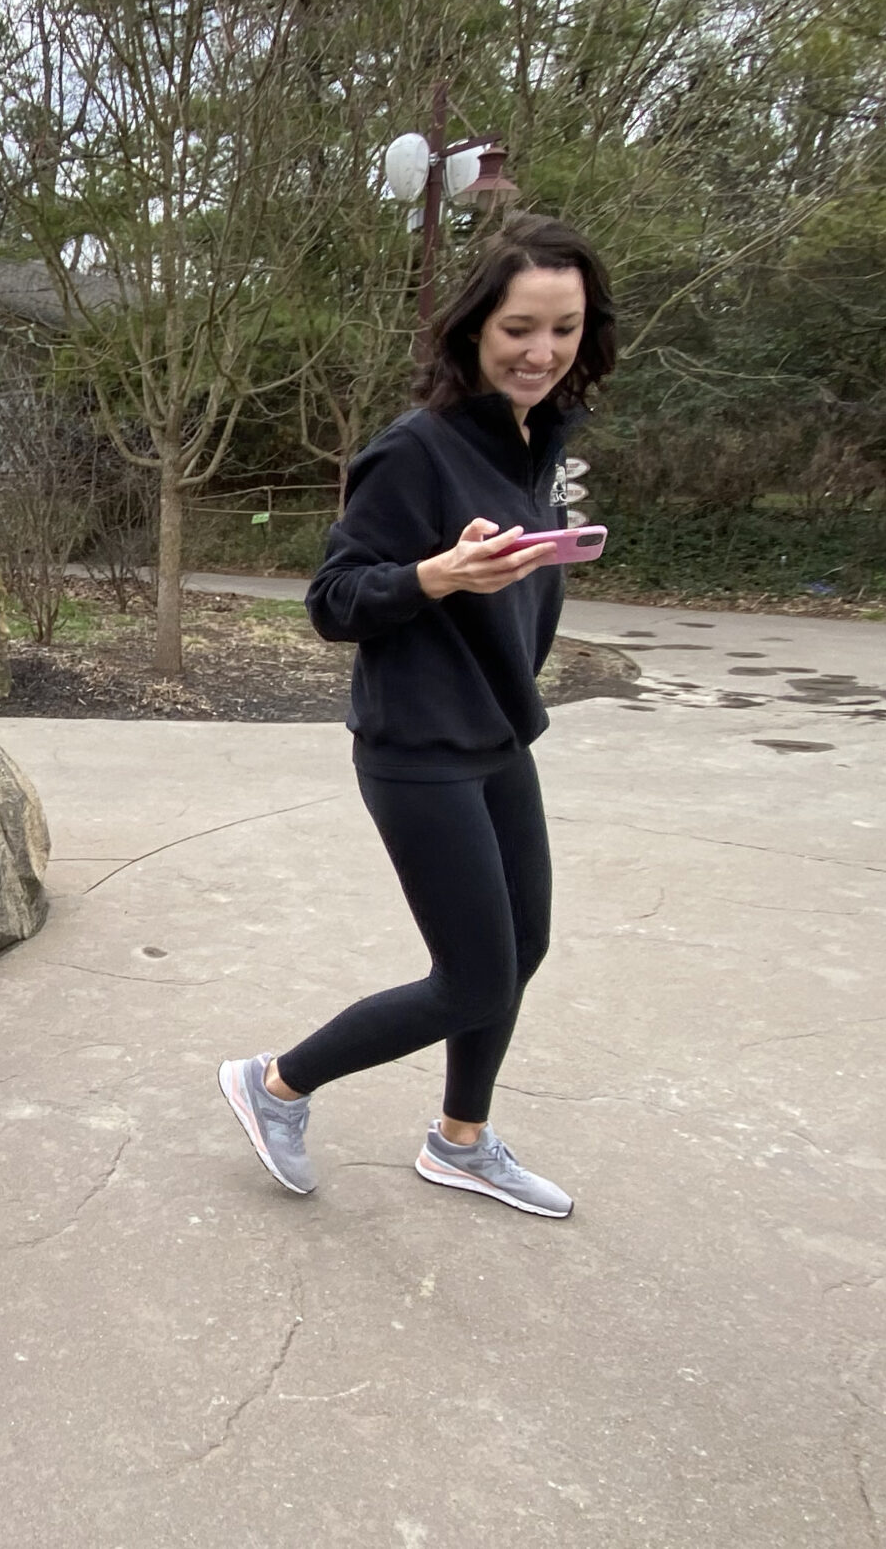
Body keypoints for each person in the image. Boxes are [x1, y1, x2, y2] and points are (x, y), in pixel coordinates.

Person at [219, 213, 616, 1219]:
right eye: (520, 326)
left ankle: (459, 1139)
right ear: (475, 325)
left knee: (518, 949)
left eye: (563, 329)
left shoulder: (534, 442)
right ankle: (273, 1083)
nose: (540, 351)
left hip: (494, 734)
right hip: (415, 747)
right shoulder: (416, 448)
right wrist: (433, 574)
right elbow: (330, 600)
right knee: (474, 976)